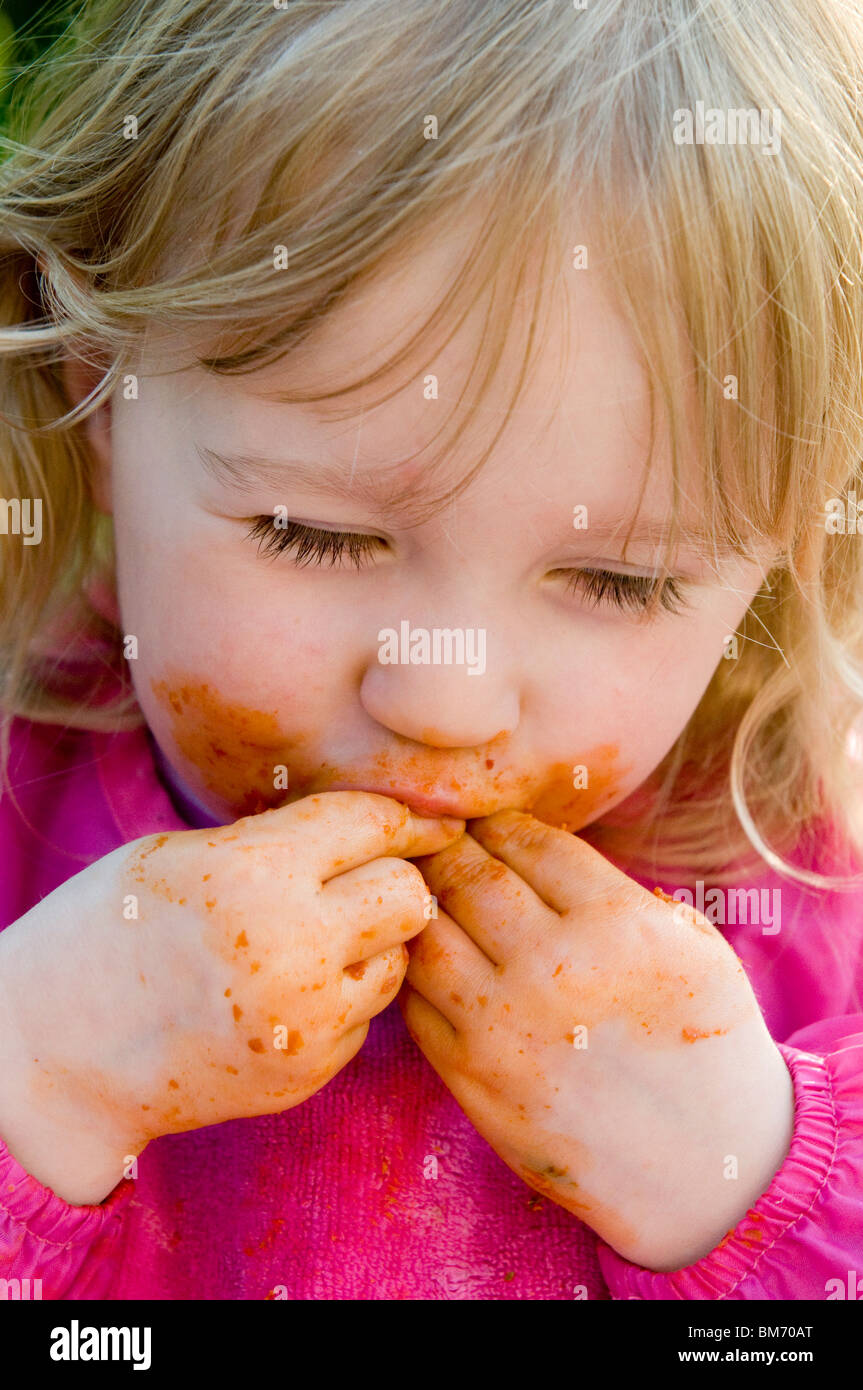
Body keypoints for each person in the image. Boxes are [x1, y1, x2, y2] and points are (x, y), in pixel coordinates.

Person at [0, 0, 861, 1300]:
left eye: (617, 577)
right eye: (314, 534)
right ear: (94, 391)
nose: (447, 696)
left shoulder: (794, 905)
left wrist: (742, 1183)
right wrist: (38, 1072)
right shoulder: (21, 795)